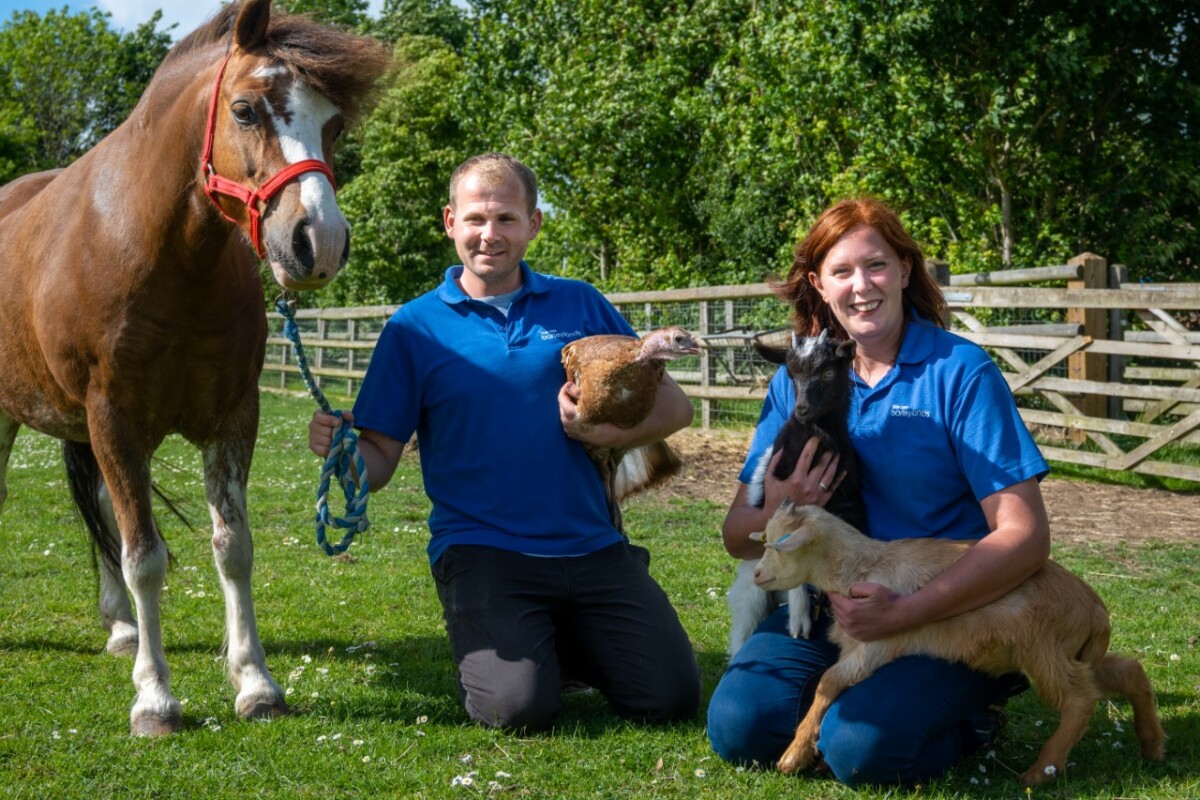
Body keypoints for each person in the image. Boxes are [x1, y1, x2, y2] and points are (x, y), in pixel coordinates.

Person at [308, 152, 700, 731]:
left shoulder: (580, 303)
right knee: (516, 710)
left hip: (591, 544)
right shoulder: (414, 328)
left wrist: (600, 430)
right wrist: (342, 451)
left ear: (533, 224)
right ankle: (526, 638)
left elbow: (675, 407)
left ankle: (560, 636)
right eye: (475, 218)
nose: (489, 234)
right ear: (450, 222)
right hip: (483, 549)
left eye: (506, 219)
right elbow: (381, 460)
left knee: (670, 698)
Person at [706, 197, 1051, 786]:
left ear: (905, 270)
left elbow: (1026, 535)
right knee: (741, 727)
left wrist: (908, 610)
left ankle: (974, 715)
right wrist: (781, 500)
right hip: (834, 608)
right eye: (841, 271)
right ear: (819, 284)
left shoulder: (958, 372)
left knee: (862, 749)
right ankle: (863, 708)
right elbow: (738, 538)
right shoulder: (799, 377)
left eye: (877, 265)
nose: (861, 286)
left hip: (943, 610)